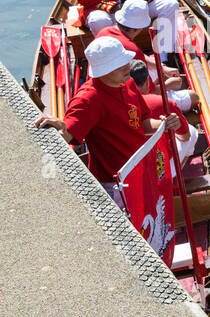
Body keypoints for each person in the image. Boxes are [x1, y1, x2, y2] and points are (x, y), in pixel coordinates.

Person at [34, 37, 182, 209]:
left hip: (141, 170)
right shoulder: (87, 99)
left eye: (125, 60)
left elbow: (142, 123)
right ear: (103, 70)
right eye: (119, 64)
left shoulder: (129, 83)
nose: (127, 66)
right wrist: (59, 125)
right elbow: (66, 133)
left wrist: (164, 124)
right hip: (115, 185)